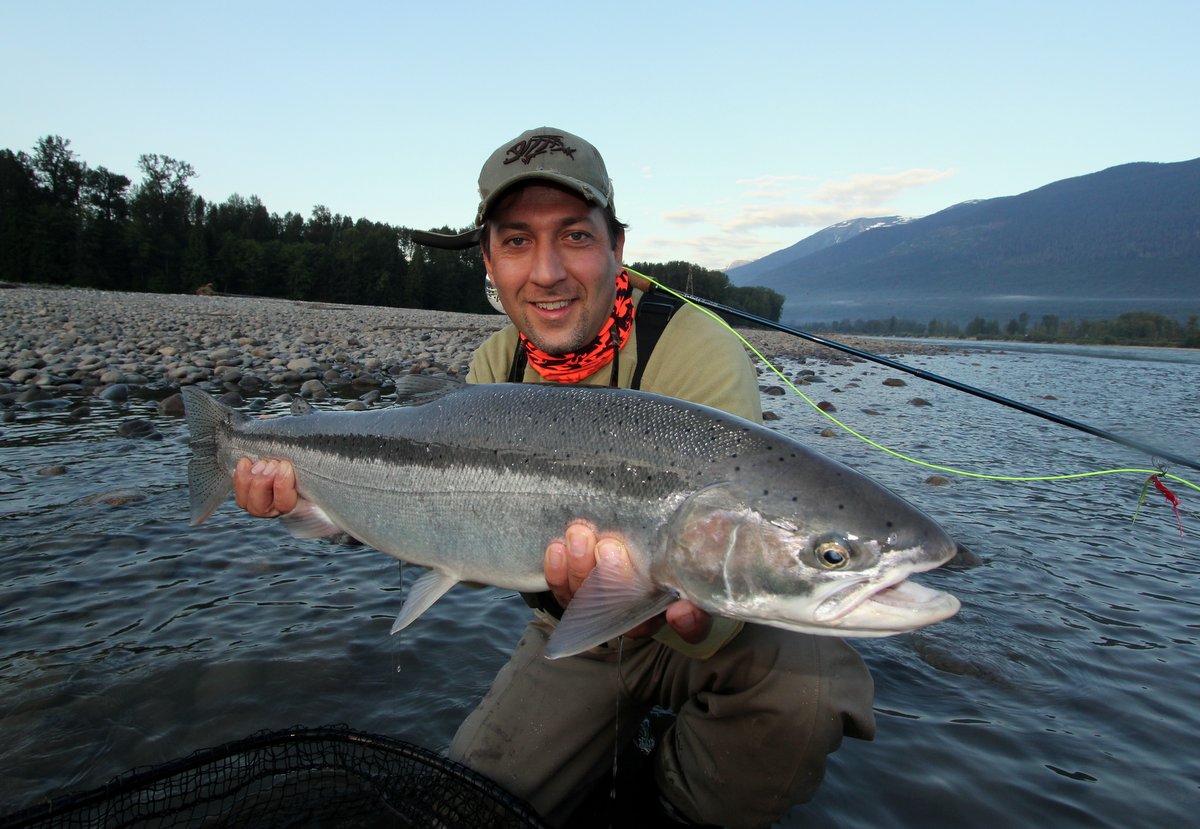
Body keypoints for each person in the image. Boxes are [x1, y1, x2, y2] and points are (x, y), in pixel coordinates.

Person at [233, 127, 875, 828]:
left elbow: (723, 592)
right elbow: (465, 550)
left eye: (573, 236)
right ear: (488, 259)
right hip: (575, 634)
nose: (545, 272)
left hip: (714, 633)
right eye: (516, 241)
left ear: (616, 248)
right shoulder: (493, 371)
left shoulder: (697, 353)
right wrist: (312, 511)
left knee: (810, 688)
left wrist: (661, 601)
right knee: (470, 812)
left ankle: (677, 799)